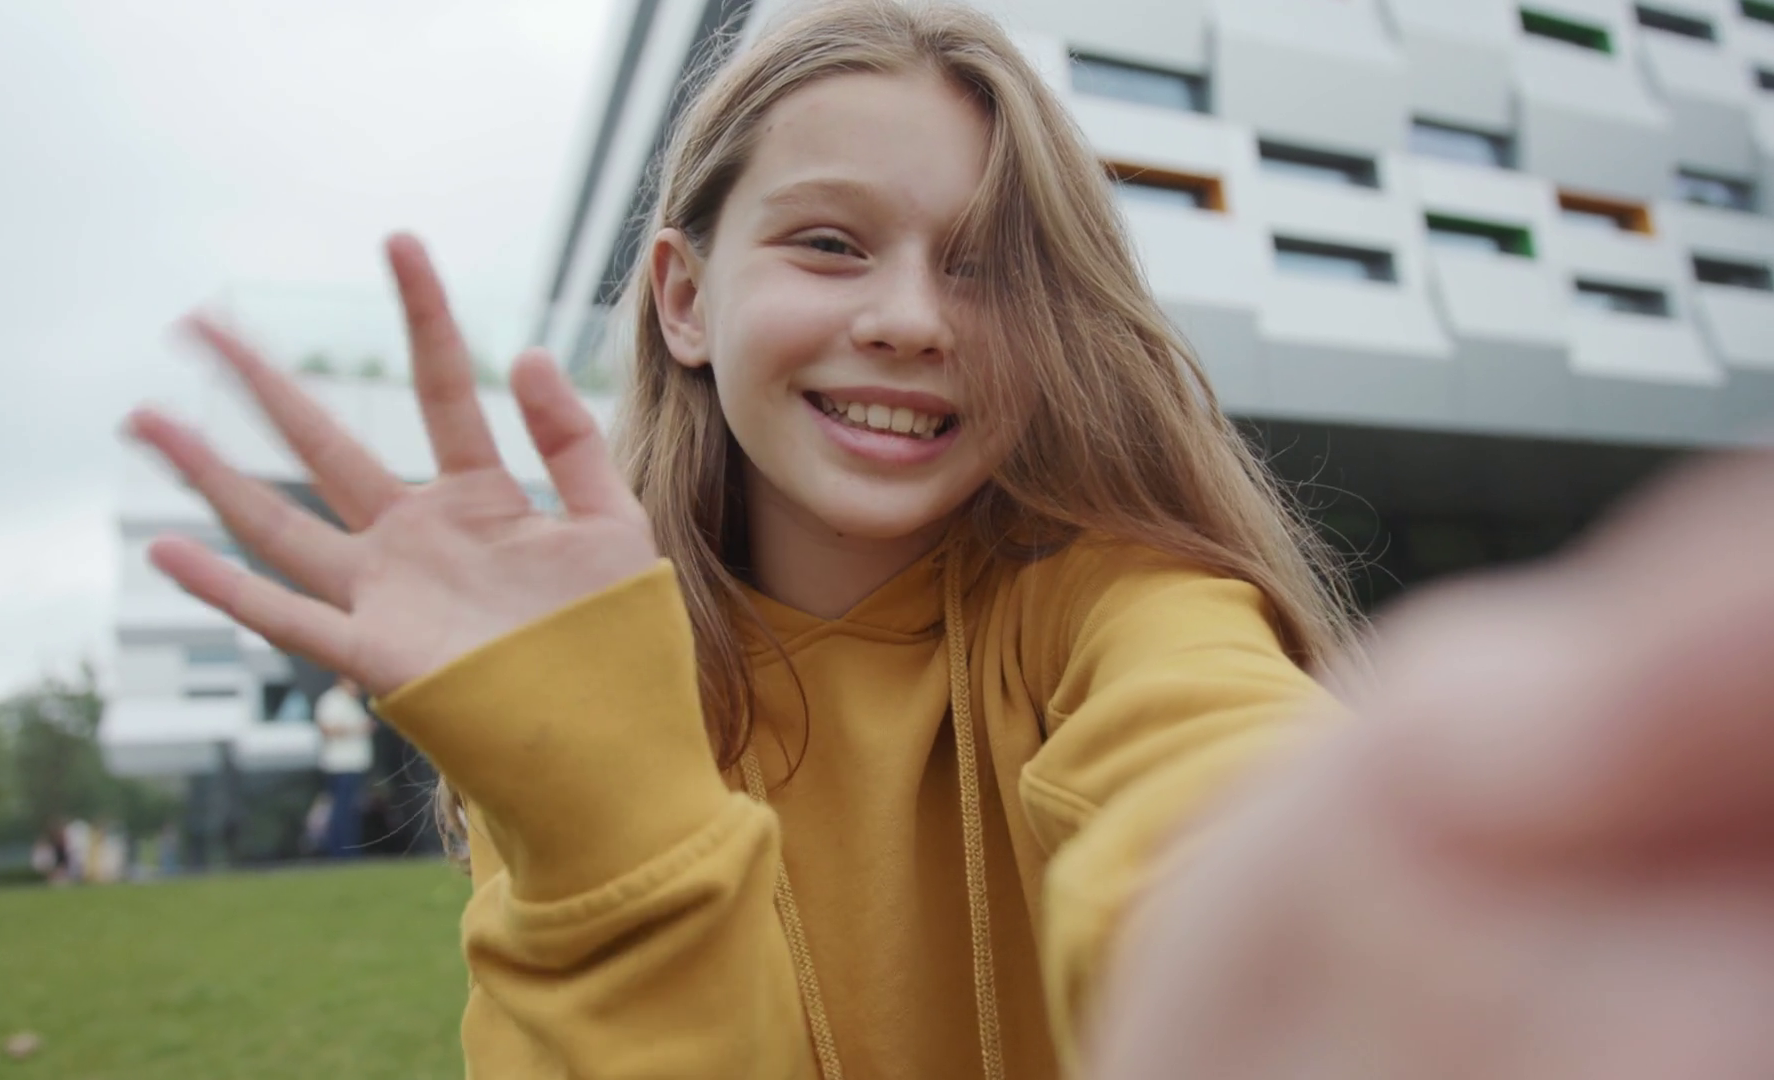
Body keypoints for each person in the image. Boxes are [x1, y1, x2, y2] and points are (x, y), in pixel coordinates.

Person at [122, 2, 1774, 1077]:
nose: (912, 318)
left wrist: (1317, 936)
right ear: (687, 298)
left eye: (985, 266)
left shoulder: (1133, 607)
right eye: (832, 243)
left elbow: (1209, 787)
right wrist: (602, 815)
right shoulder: (583, 690)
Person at [313, 677, 374, 857]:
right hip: (340, 765)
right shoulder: (332, 701)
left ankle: (350, 848)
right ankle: (340, 851)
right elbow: (327, 729)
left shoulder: (353, 702)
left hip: (354, 765)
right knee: (342, 810)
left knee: (351, 810)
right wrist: (357, 728)